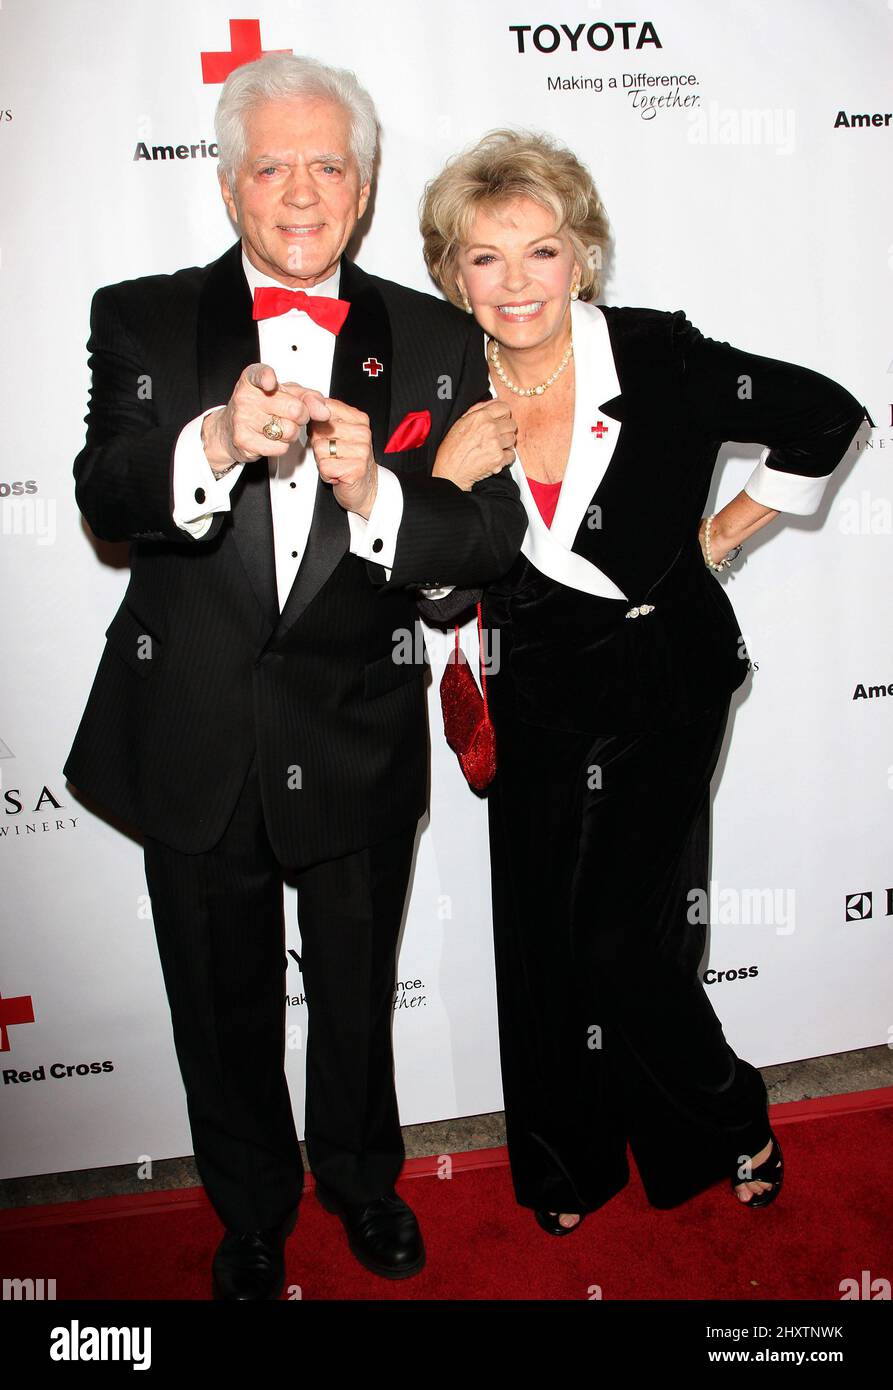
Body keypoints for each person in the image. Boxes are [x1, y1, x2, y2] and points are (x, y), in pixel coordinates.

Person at [63, 57, 525, 1299]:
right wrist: (208, 440)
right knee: (219, 1011)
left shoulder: (435, 337)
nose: (301, 191)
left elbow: (482, 548)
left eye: (328, 164)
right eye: (271, 164)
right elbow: (107, 496)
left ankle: (364, 1184)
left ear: (364, 187)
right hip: (193, 731)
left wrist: (379, 495)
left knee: (357, 996)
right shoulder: (144, 316)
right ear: (227, 186)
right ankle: (251, 1210)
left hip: (357, 730)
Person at [418, 129, 865, 1234]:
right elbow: (424, 593)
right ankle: (565, 1163)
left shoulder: (656, 357)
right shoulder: (433, 383)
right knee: (540, 932)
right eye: (484, 257)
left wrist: (717, 540)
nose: (514, 282)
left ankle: (722, 1117)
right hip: (533, 683)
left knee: (624, 935)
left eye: (540, 251)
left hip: (663, 672)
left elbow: (824, 415)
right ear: (450, 272)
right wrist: (438, 481)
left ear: (581, 257)